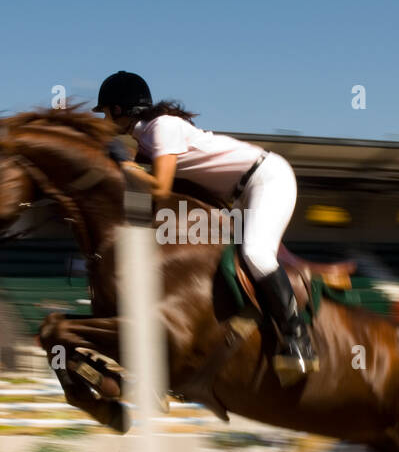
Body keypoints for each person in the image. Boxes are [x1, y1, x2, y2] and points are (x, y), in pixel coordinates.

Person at [93, 70, 319, 384]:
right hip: (242, 195)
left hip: (267, 179)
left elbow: (158, 188)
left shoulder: (161, 127)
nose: (104, 119)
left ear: (119, 109)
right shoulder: (147, 135)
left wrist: (126, 165)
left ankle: (299, 338)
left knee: (255, 254)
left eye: (104, 111)